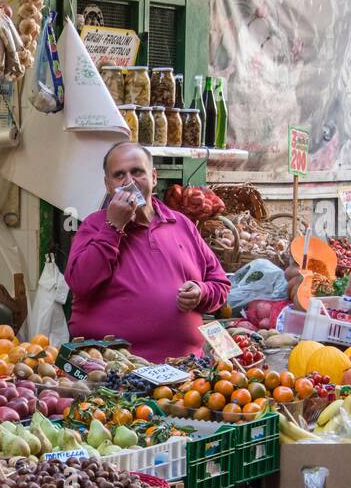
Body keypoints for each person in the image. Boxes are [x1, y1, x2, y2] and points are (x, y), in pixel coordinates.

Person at [64, 142, 231, 362]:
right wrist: (114, 228)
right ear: (108, 185)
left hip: (188, 368)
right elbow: (80, 283)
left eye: (137, 172)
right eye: (119, 175)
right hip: (117, 372)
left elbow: (220, 284)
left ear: (153, 177)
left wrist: (201, 292)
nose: (129, 182)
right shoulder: (94, 226)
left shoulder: (181, 224)